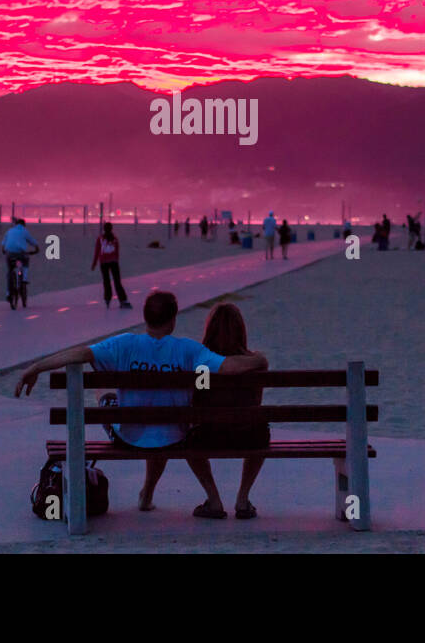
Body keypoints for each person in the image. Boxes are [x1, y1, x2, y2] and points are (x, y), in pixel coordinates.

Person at [15, 291, 267, 518]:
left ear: (146, 317)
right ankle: (147, 493)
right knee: (159, 420)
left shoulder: (124, 344)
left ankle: (147, 493)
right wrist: (259, 359)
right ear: (173, 320)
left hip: (129, 437)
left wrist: (37, 366)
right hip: (173, 436)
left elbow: (80, 354)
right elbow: (230, 366)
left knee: (106, 397)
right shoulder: (189, 350)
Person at [191, 303, 269, 519]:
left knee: (185, 435)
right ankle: (243, 499)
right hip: (248, 435)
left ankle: (213, 498)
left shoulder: (203, 364)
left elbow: (199, 398)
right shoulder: (256, 364)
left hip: (209, 435)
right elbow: (256, 401)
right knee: (260, 426)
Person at [92, 221, 132, 309]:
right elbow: (117, 251)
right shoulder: (115, 238)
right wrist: (116, 260)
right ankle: (123, 300)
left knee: (106, 282)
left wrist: (94, 263)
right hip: (113, 262)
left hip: (103, 262)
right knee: (117, 281)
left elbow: (97, 251)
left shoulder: (100, 238)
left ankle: (107, 299)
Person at [1, 217, 40, 305]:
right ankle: (25, 278)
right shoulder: (24, 231)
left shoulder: (9, 231)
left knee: (10, 271)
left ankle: (8, 293)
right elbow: (32, 241)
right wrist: (37, 248)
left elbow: (3, 244)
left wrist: (4, 250)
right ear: (24, 225)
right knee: (25, 260)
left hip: (10, 253)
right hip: (20, 253)